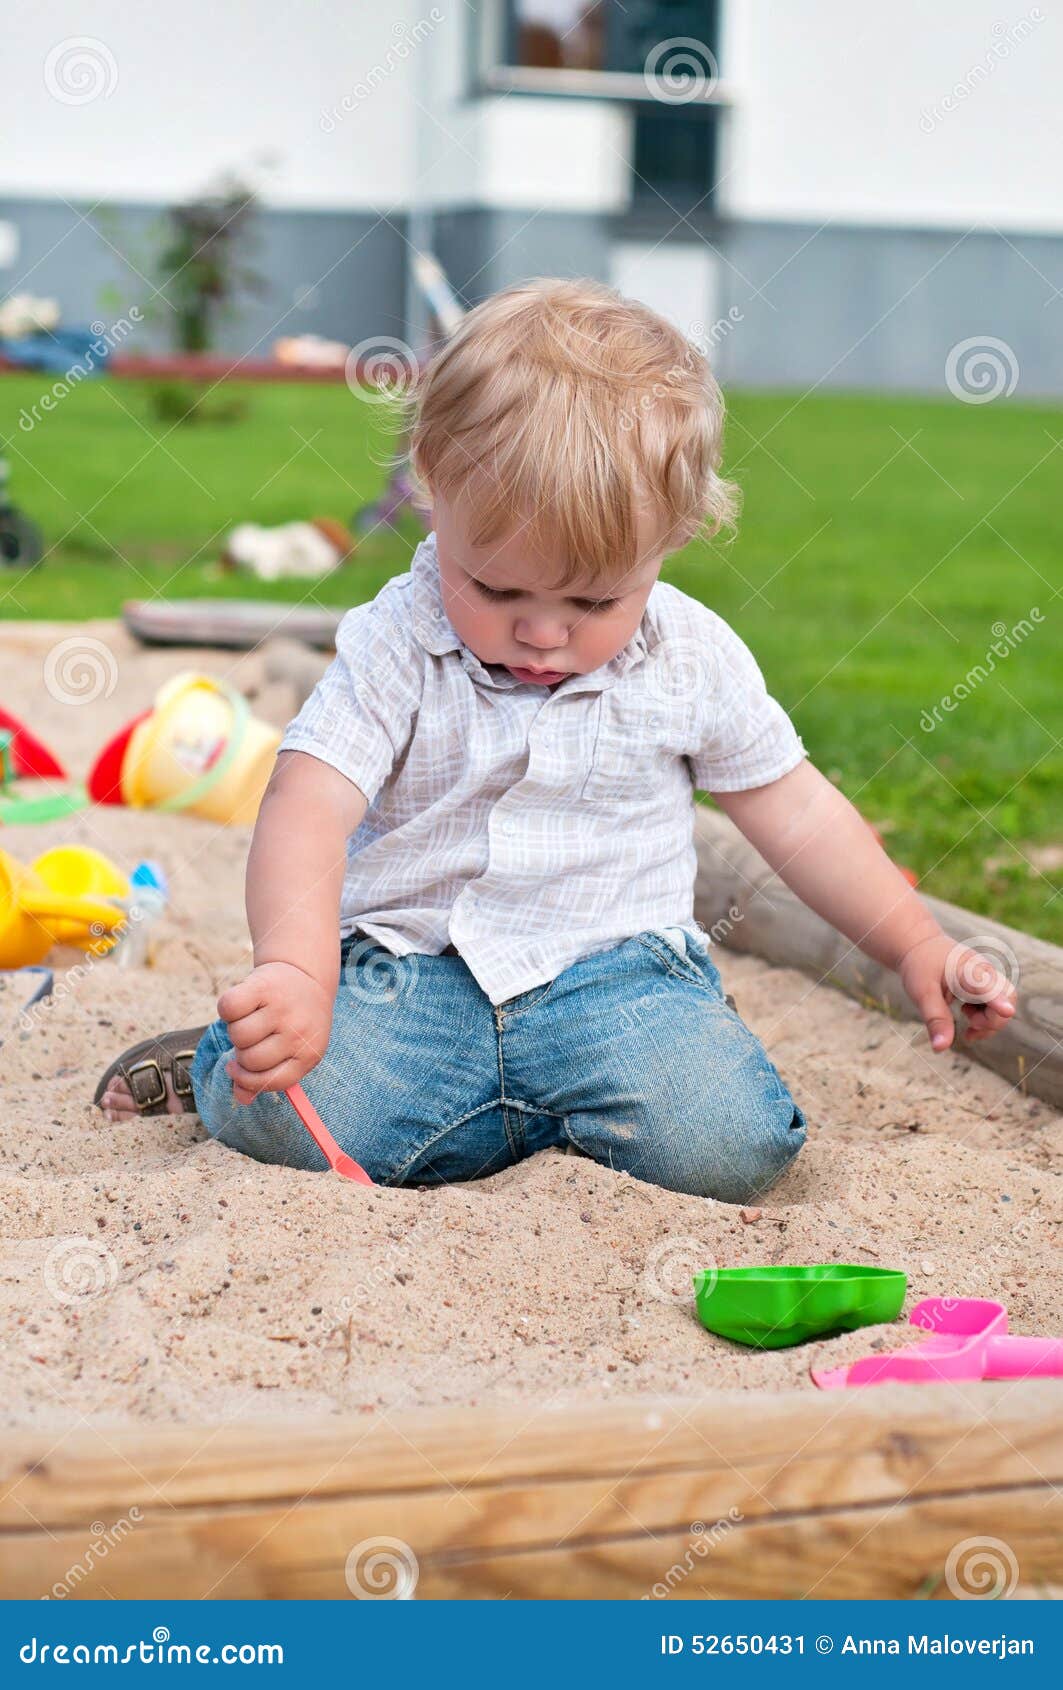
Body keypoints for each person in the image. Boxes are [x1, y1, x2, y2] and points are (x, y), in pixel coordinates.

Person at [95, 279, 1016, 1201]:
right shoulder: (399, 637)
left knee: (731, 1149)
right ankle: (234, 1051)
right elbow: (308, 800)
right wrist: (297, 971)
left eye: (592, 603)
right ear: (428, 489)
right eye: (495, 591)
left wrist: (911, 945)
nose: (542, 633)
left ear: (679, 533)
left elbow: (796, 809)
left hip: (614, 981)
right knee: (283, 1110)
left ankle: (537, 1108)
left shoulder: (689, 657)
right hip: (410, 979)